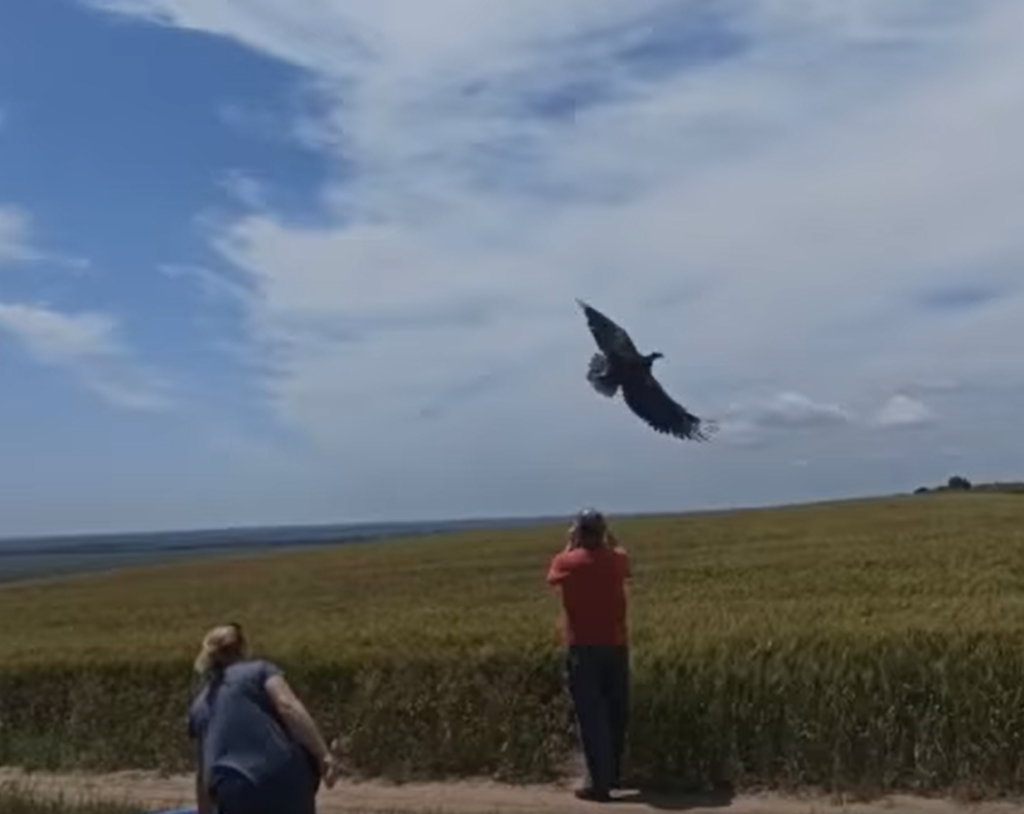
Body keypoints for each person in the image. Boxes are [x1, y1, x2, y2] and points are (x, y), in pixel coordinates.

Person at [186, 621, 343, 814]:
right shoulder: (260, 670)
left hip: (232, 788)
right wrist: (323, 754)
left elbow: (203, 772)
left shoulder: (200, 705)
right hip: (282, 779)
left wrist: (205, 811)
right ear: (243, 647)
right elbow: (288, 706)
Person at [546, 508, 632, 803]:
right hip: (617, 647)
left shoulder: (567, 561)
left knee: (591, 717)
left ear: (580, 534)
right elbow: (621, 552)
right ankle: (614, 775)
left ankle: (598, 784)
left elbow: (552, 578)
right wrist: (610, 538)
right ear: (603, 533)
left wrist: (570, 543)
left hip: (582, 649)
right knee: (615, 714)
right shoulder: (617, 560)